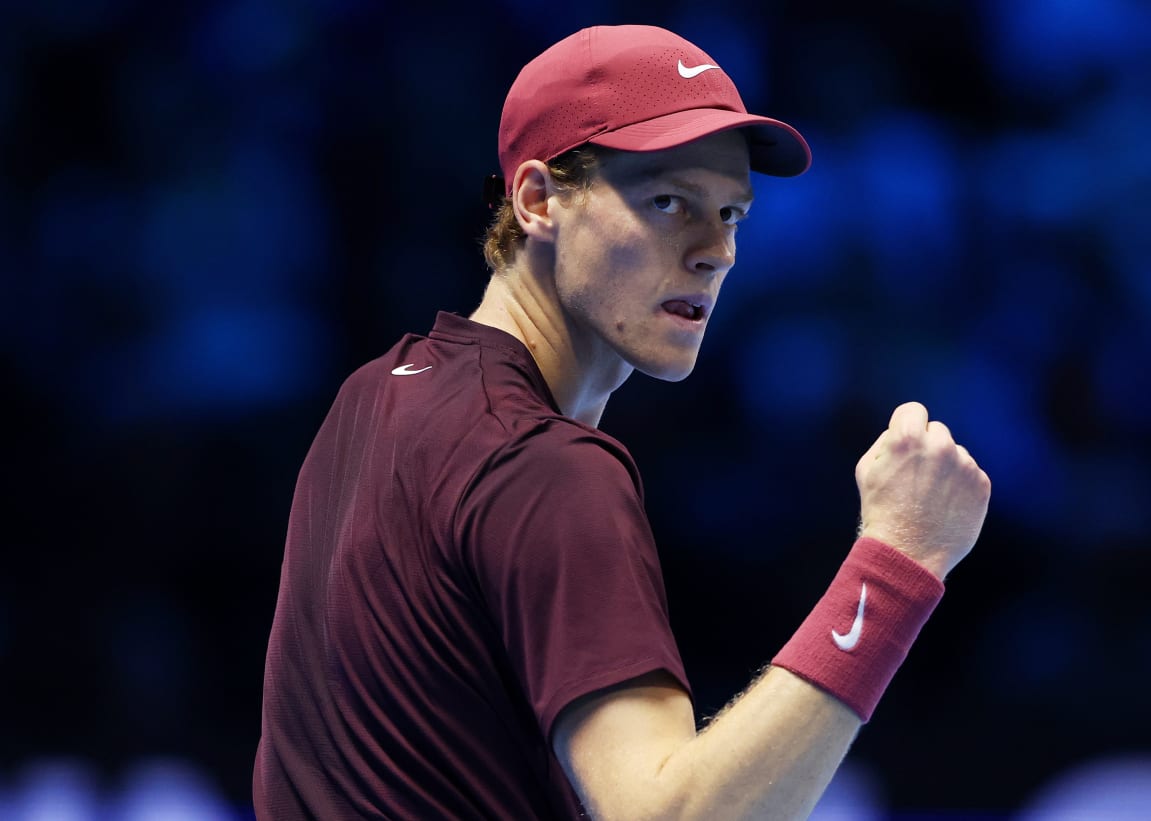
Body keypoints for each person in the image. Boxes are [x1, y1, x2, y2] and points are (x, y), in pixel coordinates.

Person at [253, 23, 991, 820]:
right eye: (668, 202)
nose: (716, 251)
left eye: (731, 213)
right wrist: (897, 561)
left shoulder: (376, 392)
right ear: (538, 201)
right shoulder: (544, 465)